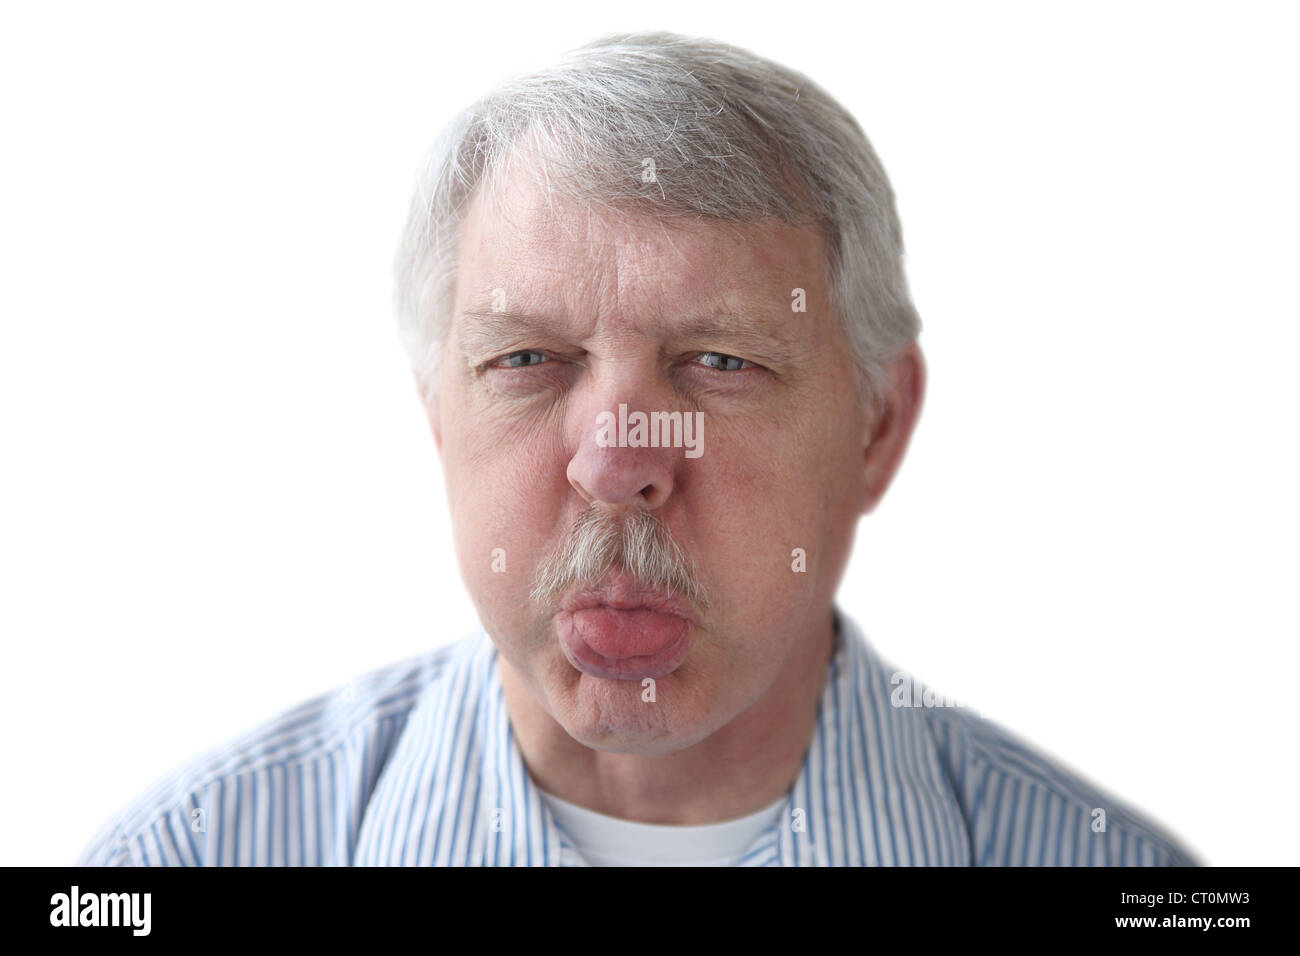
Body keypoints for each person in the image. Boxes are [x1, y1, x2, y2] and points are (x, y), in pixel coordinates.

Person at [78, 30, 1199, 867]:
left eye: (721, 363)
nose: (617, 462)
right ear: (436, 414)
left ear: (876, 423)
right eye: (525, 360)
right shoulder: (179, 855)